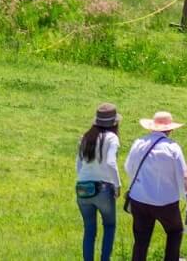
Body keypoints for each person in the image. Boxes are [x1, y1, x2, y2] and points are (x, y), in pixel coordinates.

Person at [125, 111, 187, 261]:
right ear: (170, 129)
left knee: (141, 239)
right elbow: (182, 175)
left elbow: (129, 167)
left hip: (139, 198)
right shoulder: (173, 148)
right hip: (165, 200)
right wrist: (186, 197)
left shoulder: (139, 143)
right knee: (175, 231)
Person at [77, 103, 122, 261]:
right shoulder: (112, 138)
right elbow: (111, 163)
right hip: (103, 188)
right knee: (109, 226)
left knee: (89, 230)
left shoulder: (85, 137)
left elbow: (79, 165)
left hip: (82, 187)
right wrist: (117, 185)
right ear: (114, 123)